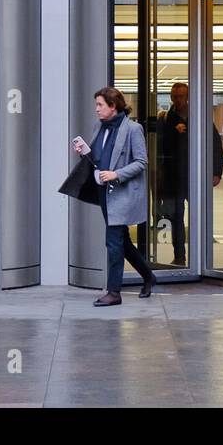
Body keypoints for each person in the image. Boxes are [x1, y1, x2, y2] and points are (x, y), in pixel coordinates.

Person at [73, 86, 156, 307]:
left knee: (113, 243)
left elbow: (141, 162)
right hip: (104, 193)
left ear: (113, 106)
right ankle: (148, 276)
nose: (96, 109)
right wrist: (85, 152)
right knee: (123, 242)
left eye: (100, 105)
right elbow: (99, 158)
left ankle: (114, 292)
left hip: (122, 193)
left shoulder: (133, 129)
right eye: (96, 105)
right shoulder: (99, 126)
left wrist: (116, 174)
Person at [155, 82, 223, 265]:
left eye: (181, 96)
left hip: (196, 175)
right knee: (176, 218)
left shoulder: (199, 117)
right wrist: (173, 132)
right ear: (170, 97)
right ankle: (179, 256)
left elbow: (215, 145)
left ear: (187, 97)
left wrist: (216, 172)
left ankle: (201, 255)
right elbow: (159, 146)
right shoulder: (165, 119)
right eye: (174, 96)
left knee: (198, 216)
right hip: (173, 177)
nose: (177, 99)